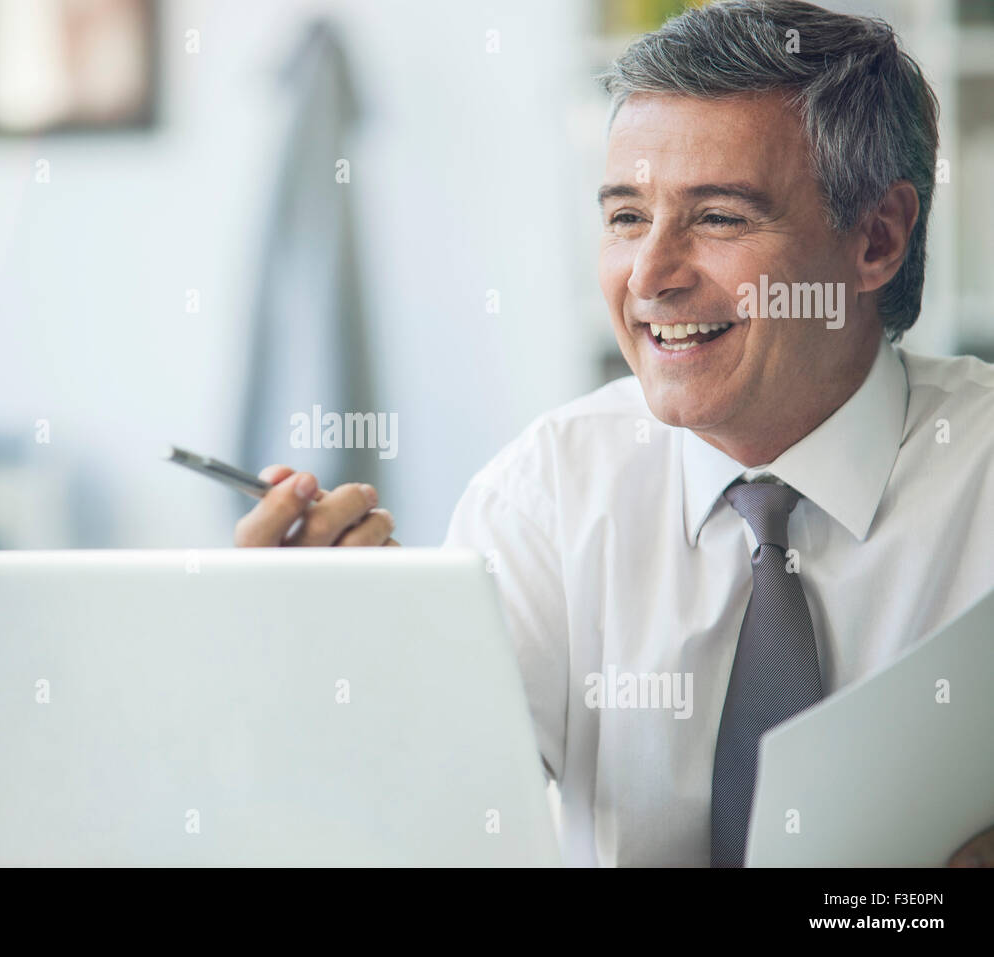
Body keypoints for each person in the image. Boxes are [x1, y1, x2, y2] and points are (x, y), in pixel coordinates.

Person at [233, 0, 994, 867]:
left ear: (878, 238)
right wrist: (325, 659)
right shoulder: (545, 494)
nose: (650, 276)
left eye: (719, 218)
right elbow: (416, 814)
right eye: (627, 216)